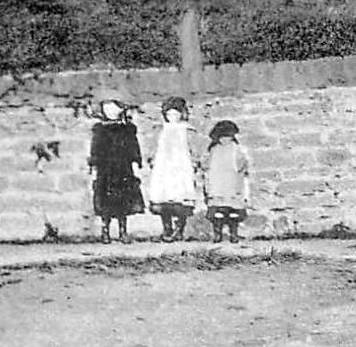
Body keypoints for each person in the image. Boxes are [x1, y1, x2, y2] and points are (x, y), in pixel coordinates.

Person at [88, 98, 144, 242]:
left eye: (114, 108)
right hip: (106, 171)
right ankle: (105, 231)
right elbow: (95, 150)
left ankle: (122, 231)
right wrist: (94, 168)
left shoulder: (127, 129)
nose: (111, 112)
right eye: (107, 109)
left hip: (122, 170)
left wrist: (136, 164)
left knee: (122, 201)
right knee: (106, 202)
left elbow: (133, 148)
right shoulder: (100, 129)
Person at [146, 96, 198, 242]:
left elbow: (194, 149)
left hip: (181, 166)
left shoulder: (187, 130)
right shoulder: (161, 129)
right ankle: (167, 228)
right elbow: (153, 147)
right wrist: (152, 159)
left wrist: (194, 163)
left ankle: (179, 229)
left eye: (176, 114)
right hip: (164, 168)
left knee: (181, 199)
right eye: (169, 114)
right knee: (164, 199)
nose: (172, 117)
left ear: (182, 114)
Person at [204, 119, 250, 244]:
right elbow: (206, 165)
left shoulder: (236, 149)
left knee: (233, 211)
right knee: (218, 211)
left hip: (232, 183)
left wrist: (241, 170)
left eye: (228, 137)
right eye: (222, 137)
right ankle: (217, 234)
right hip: (217, 183)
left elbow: (243, 164)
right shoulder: (213, 150)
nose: (225, 140)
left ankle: (233, 234)